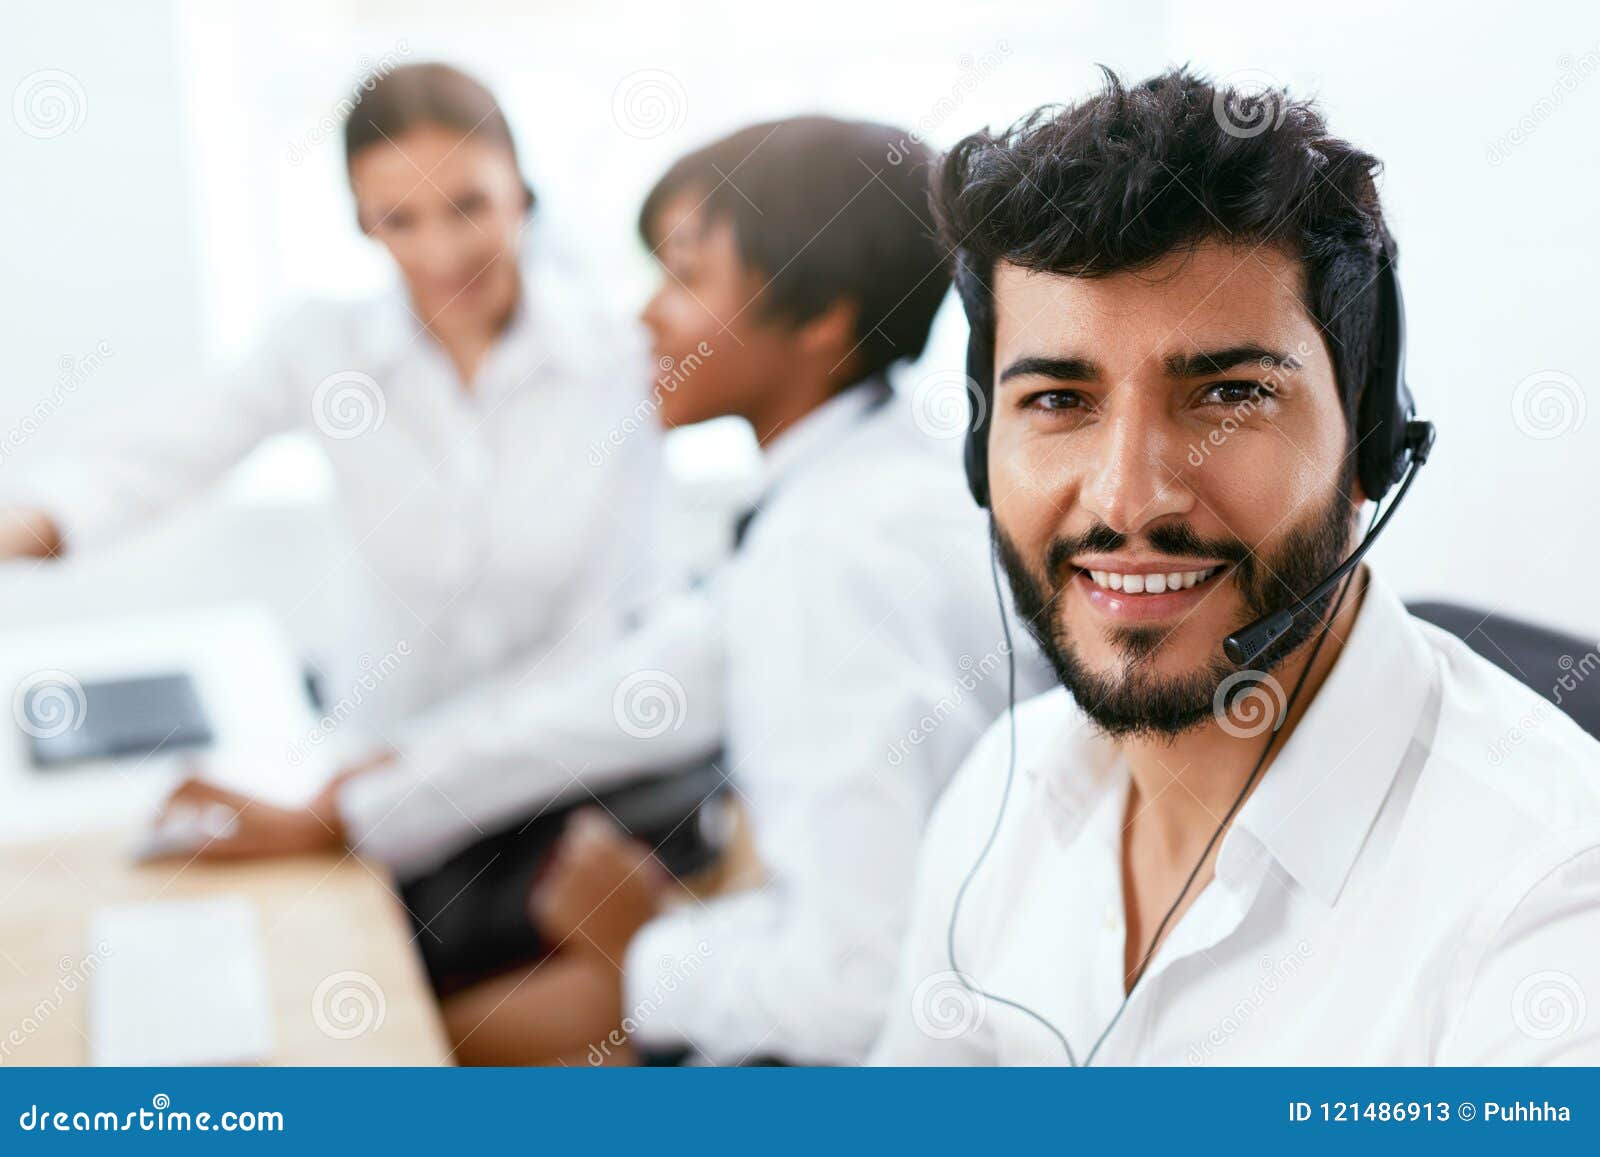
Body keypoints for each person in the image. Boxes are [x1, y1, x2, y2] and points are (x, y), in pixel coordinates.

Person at [872, 69, 1600, 1065]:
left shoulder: (1550, 901)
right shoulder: (1009, 781)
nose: (1128, 498)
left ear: (1370, 442)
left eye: (1228, 394)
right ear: (978, 445)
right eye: (1055, 399)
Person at [426, 116, 1048, 1065]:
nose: (646, 318)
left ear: (822, 317)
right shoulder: (875, 484)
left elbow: (854, 990)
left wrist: (646, 943)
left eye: (684, 277)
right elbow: (646, 682)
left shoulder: (830, 557)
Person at [0, 63, 660, 833]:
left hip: (549, 778)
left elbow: (607, 630)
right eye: (398, 219)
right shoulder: (324, 347)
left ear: (522, 188)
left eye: (468, 205)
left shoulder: (618, 364)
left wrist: (415, 768)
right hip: (369, 770)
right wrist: (25, 526)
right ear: (361, 221)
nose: (441, 251)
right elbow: (155, 456)